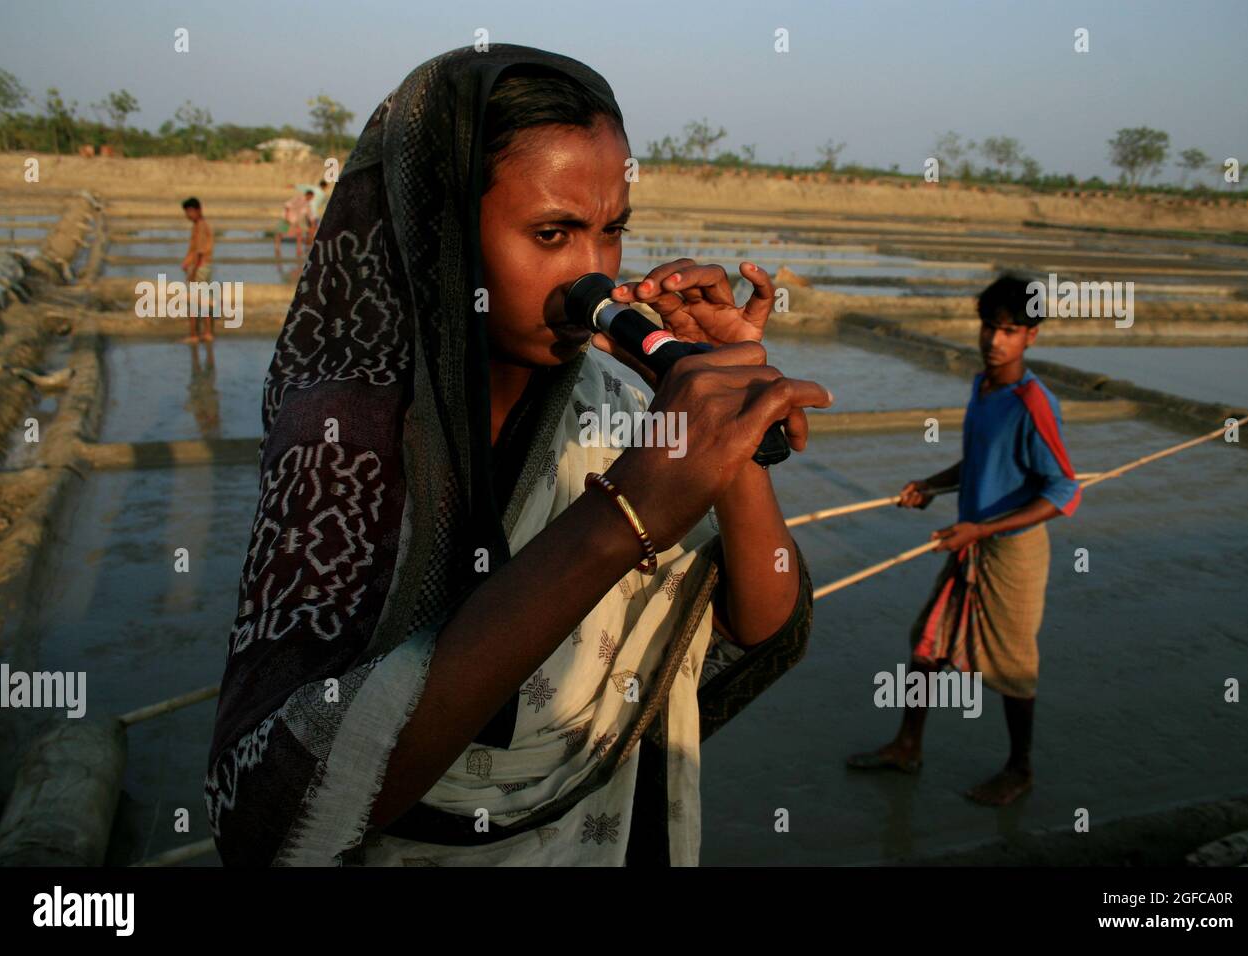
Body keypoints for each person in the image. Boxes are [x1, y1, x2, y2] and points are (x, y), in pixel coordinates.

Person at [204, 45, 834, 867]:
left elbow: (761, 625)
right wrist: (621, 517)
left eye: (613, 233)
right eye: (552, 233)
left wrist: (724, 416)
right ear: (444, 238)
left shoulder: (616, 405)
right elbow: (272, 807)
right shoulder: (346, 438)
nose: (593, 278)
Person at [846, 274, 1081, 806]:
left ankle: (1019, 769)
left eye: (1011, 330)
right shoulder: (984, 387)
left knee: (1014, 665)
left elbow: (1064, 490)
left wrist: (982, 528)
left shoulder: (1032, 403)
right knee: (927, 644)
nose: (996, 340)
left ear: (1031, 336)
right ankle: (907, 745)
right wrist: (932, 485)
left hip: (1011, 549)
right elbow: (980, 463)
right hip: (968, 538)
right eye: (989, 327)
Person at [180, 197, 215, 343]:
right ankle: (207, 333)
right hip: (204, 266)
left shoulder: (200, 226)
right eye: (186, 212)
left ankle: (194, 335)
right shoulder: (201, 225)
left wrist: (192, 272)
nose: (187, 215)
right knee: (204, 300)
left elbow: (199, 251)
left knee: (193, 302)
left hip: (200, 267)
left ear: (197, 210)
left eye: (189, 211)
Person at [274, 187, 316, 258]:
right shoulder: (299, 199)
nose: (312, 198)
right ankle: (277, 248)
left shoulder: (307, 204)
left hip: (295, 220)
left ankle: (298, 250)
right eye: (312, 197)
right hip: (287, 218)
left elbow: (309, 214)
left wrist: (312, 224)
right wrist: (287, 217)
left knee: (299, 234)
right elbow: (287, 205)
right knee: (280, 233)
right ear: (308, 195)